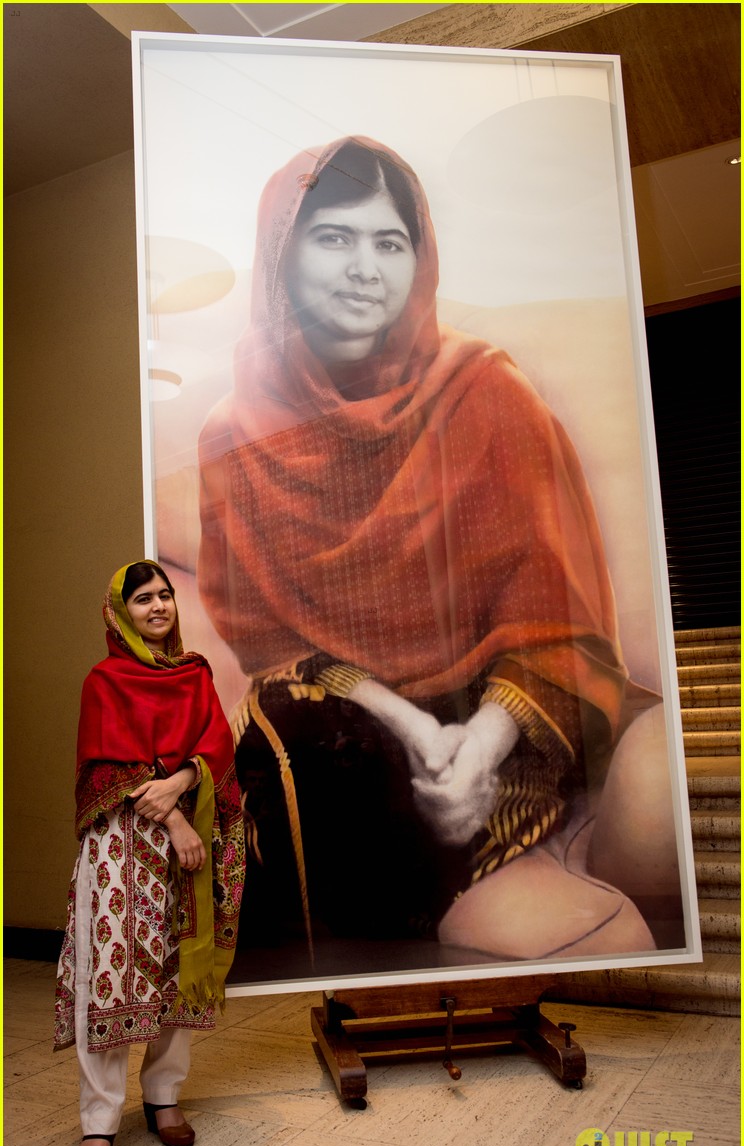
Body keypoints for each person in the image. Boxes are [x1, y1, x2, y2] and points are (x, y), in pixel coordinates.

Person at [197, 136, 679, 967]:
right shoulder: (233, 438)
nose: (365, 268)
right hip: (357, 725)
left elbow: (553, 621)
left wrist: (479, 748)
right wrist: (409, 723)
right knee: (295, 750)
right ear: (281, 253)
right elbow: (279, 651)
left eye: (391, 242)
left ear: (420, 261)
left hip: (505, 718)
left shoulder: (487, 392)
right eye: (334, 237)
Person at [54, 561, 245, 1146]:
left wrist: (184, 780)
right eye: (143, 599)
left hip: (189, 837)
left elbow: (218, 744)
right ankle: (98, 1122)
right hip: (123, 845)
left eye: (165, 595)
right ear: (120, 613)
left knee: (175, 970)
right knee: (111, 972)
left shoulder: (195, 675)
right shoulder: (104, 680)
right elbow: (105, 771)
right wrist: (173, 820)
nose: (158, 607)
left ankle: (164, 1095)